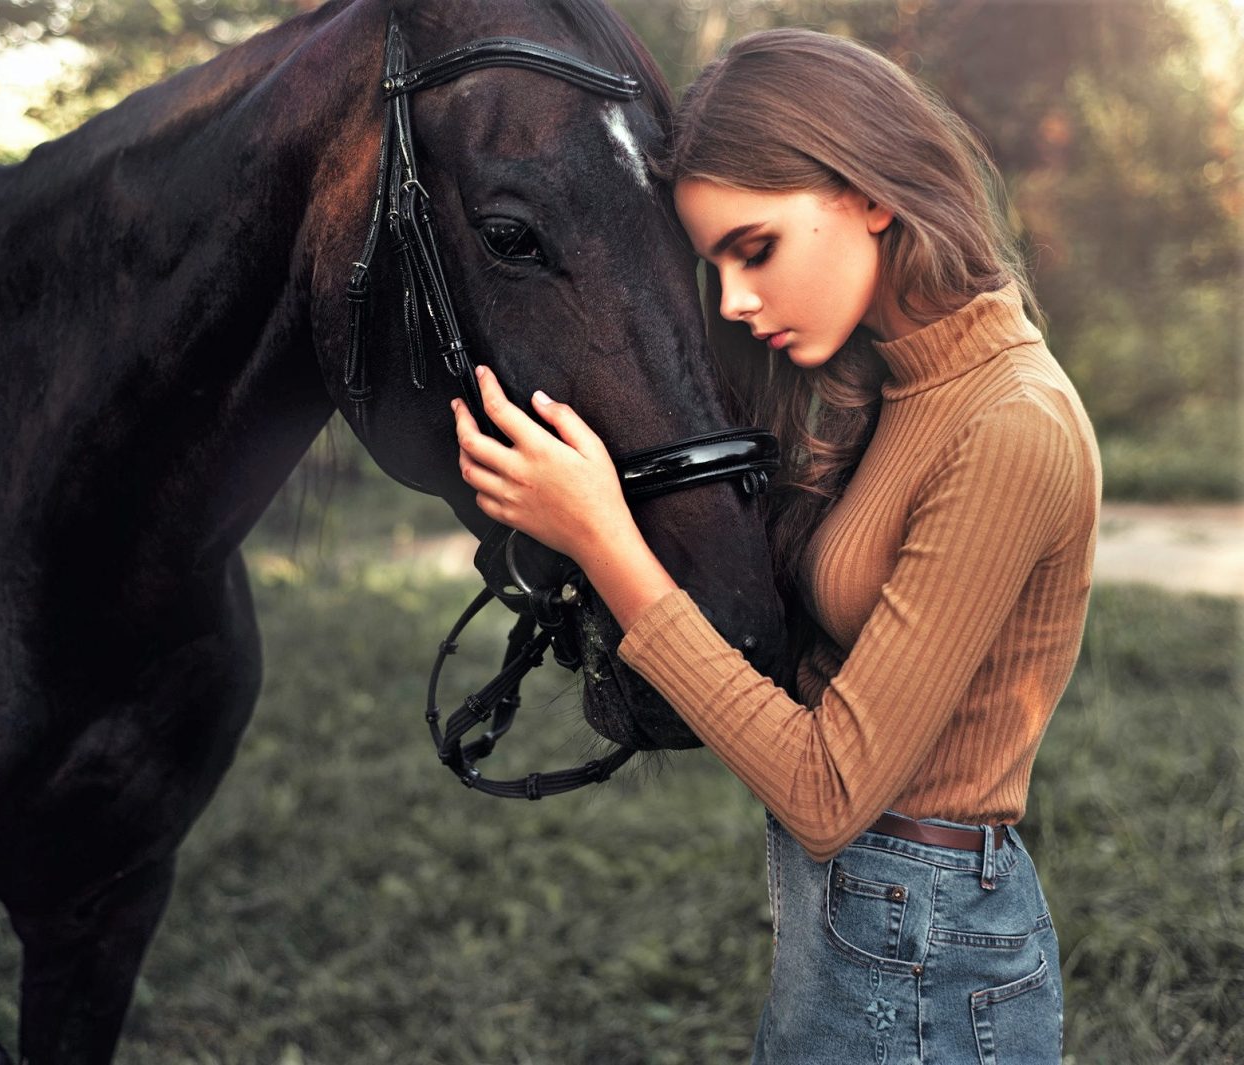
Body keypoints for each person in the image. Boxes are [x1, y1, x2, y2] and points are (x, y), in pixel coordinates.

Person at [449, 27, 1100, 1065]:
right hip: (860, 937)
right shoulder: (896, 381)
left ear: (870, 193)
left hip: (931, 969)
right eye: (717, 266)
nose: (740, 302)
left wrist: (605, 538)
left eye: (756, 249)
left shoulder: (1010, 424)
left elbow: (830, 792)